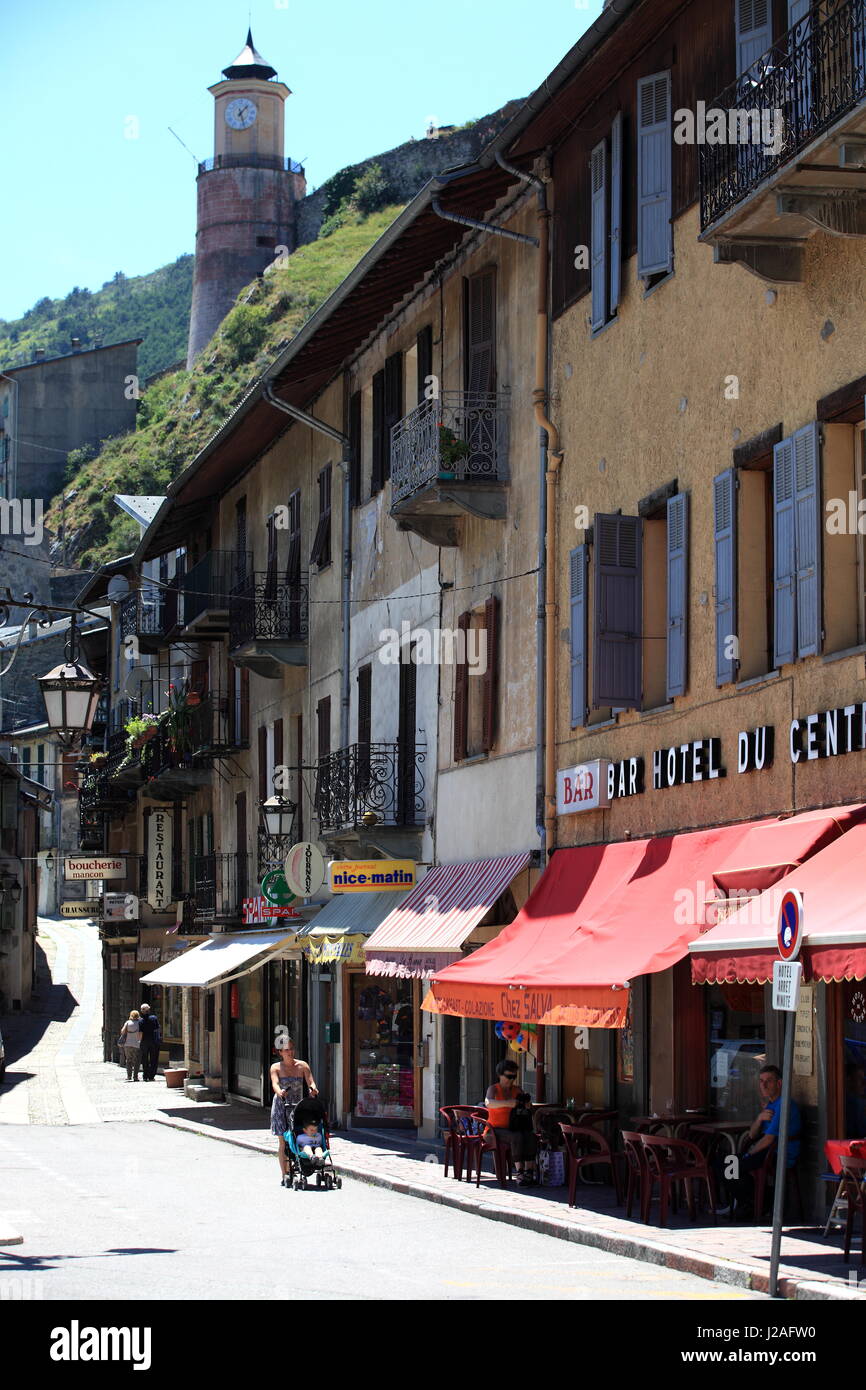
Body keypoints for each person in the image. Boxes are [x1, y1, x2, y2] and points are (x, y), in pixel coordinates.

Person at [716, 1063, 801, 1218]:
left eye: (768, 1081)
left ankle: (756, 1203)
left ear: (779, 1083)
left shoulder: (784, 1104)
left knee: (733, 1166)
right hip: (766, 1151)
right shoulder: (770, 1104)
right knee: (724, 1162)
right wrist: (759, 1118)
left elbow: (768, 1139)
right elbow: (752, 1135)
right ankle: (753, 1201)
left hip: (778, 1154)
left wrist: (748, 1154)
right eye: (761, 1081)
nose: (764, 1085)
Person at [269, 1038, 318, 1182]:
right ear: (280, 1052)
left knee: (299, 1137)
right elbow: (275, 1083)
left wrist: (313, 1089)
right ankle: (284, 1173)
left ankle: (301, 1164)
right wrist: (280, 1092)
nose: (290, 1052)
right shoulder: (276, 1067)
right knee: (283, 1141)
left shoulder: (302, 1065)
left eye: (291, 1049)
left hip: (297, 1106)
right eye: (286, 1050)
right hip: (281, 1105)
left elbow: (310, 1081)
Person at [483, 1059, 538, 1185]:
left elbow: (529, 1106)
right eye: (508, 1076)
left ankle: (529, 1171)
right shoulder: (494, 1089)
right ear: (500, 1075)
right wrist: (507, 1103)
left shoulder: (517, 1090)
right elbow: (488, 1102)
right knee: (516, 1137)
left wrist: (528, 1105)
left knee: (530, 1136)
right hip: (494, 1130)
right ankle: (519, 1172)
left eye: (514, 1076)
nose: (511, 1080)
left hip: (513, 1127)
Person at [139, 1003, 161, 1082]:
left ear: (142, 1011)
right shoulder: (154, 1018)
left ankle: (145, 1075)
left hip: (144, 1041)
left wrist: (139, 1042)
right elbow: (157, 1029)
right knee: (154, 1059)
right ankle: (151, 1075)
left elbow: (140, 1033)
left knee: (144, 1059)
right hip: (154, 1041)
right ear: (149, 1010)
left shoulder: (141, 1021)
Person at [119, 1010, 143, 1082]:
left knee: (129, 1060)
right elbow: (141, 1034)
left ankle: (129, 1076)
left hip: (127, 1044)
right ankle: (135, 1076)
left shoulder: (127, 1023)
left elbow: (122, 1032)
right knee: (137, 1061)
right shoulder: (140, 1023)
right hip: (137, 1044)